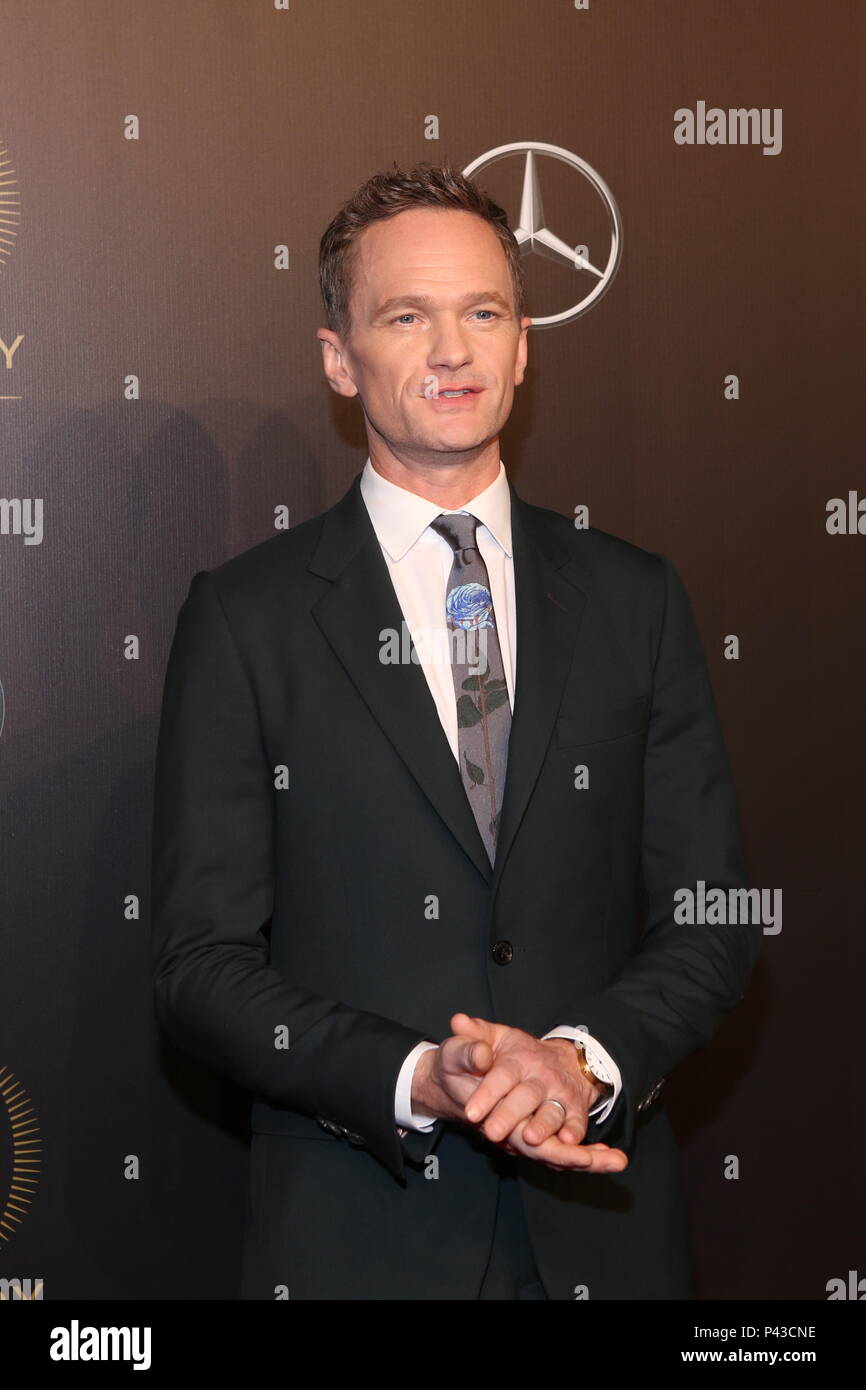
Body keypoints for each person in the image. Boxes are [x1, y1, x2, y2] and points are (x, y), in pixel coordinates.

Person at [150, 161, 762, 1300]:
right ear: (338, 358)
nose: (451, 350)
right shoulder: (247, 619)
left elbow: (710, 916)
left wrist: (578, 1062)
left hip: (605, 1231)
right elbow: (199, 963)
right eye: (405, 315)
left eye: (482, 312)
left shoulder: (635, 599)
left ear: (524, 345)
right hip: (356, 1244)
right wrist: (418, 1074)